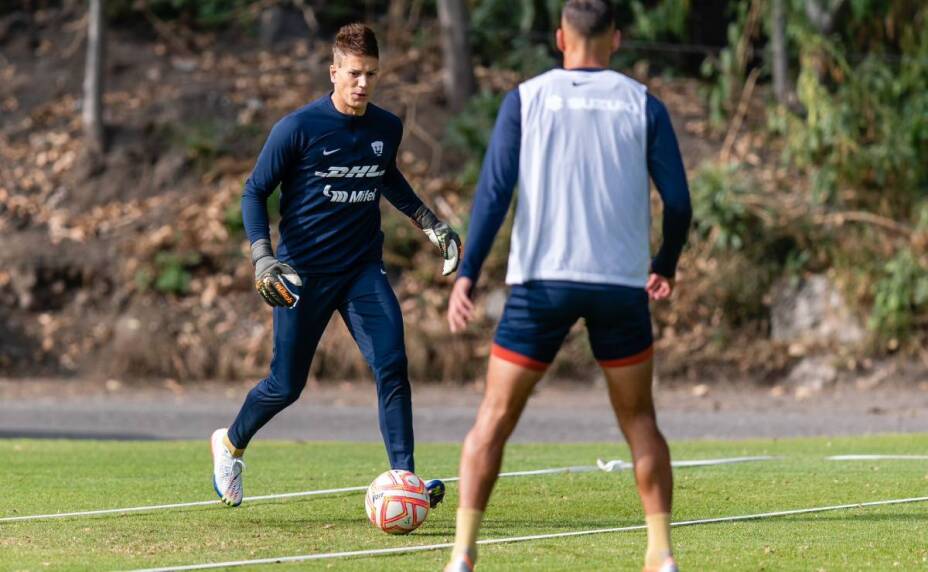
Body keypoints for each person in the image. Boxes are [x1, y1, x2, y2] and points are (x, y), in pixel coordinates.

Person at [443, 1, 692, 570]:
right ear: (617, 39)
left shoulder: (527, 100)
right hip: (618, 287)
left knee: (493, 419)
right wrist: (666, 262)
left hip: (541, 285)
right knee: (639, 422)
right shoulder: (641, 103)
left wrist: (468, 274)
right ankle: (661, 553)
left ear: (560, 38)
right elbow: (678, 202)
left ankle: (462, 555)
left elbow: (494, 193)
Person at [210, 22, 459, 510]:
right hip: (302, 275)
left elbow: (385, 176)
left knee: (392, 364)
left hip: (363, 270)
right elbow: (254, 191)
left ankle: (404, 478)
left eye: (370, 74)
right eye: (353, 73)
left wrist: (430, 222)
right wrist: (263, 255)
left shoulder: (386, 127)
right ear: (333, 72)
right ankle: (231, 444)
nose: (362, 83)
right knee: (286, 385)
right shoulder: (298, 128)